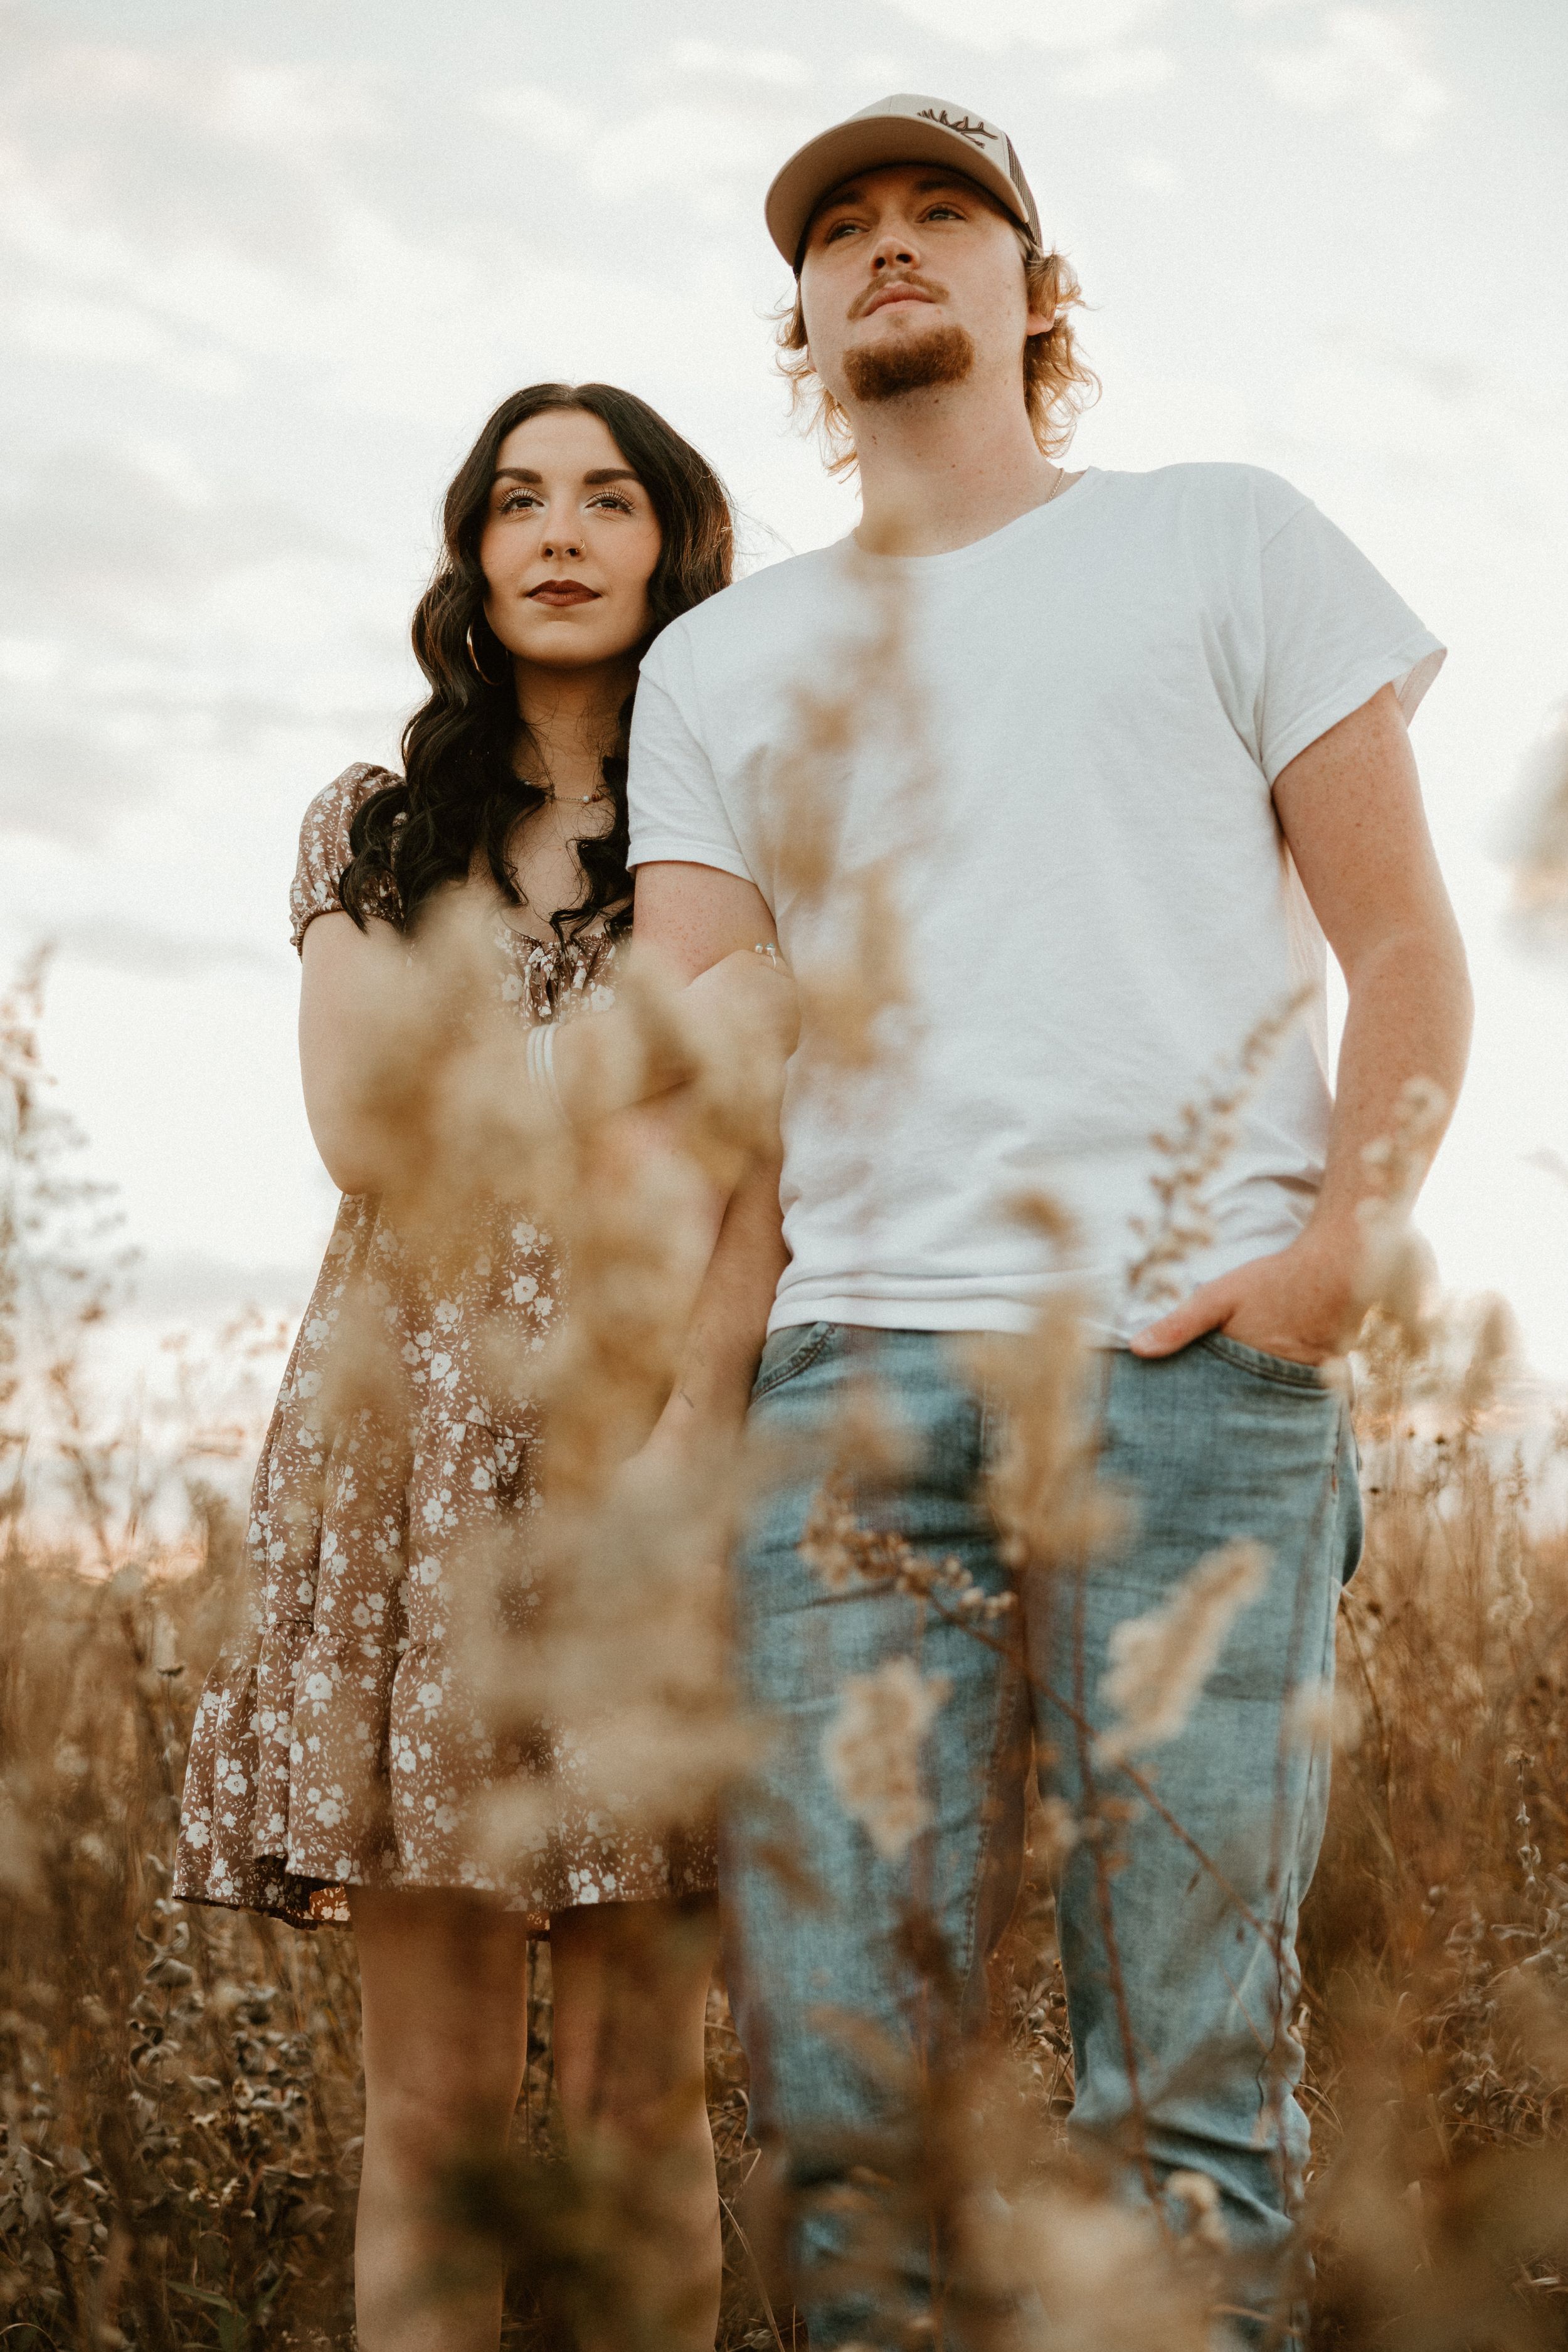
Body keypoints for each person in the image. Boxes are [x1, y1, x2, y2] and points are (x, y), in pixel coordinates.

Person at [626, 95, 1471, 2343]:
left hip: (1193, 1372)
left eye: (943, 218)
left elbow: (1400, 945)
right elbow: (701, 1044)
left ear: (1032, 290)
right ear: (800, 321)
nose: (890, 252)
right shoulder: (718, 666)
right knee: (840, 2114)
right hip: (850, 1392)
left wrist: (1326, 1268)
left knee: (1184, 2101)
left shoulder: (1227, 538)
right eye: (845, 236)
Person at [174, 381, 791, 2352]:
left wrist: (699, 1430)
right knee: (431, 2115)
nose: (558, 530)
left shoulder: (755, 840)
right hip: (407, 1464)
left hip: (648, 1457)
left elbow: (775, 1182)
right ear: (468, 553)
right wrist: (674, 1035)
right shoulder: (379, 825)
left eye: (608, 499)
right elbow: (375, 1137)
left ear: (674, 546)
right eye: (515, 499)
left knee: (634, 2112)